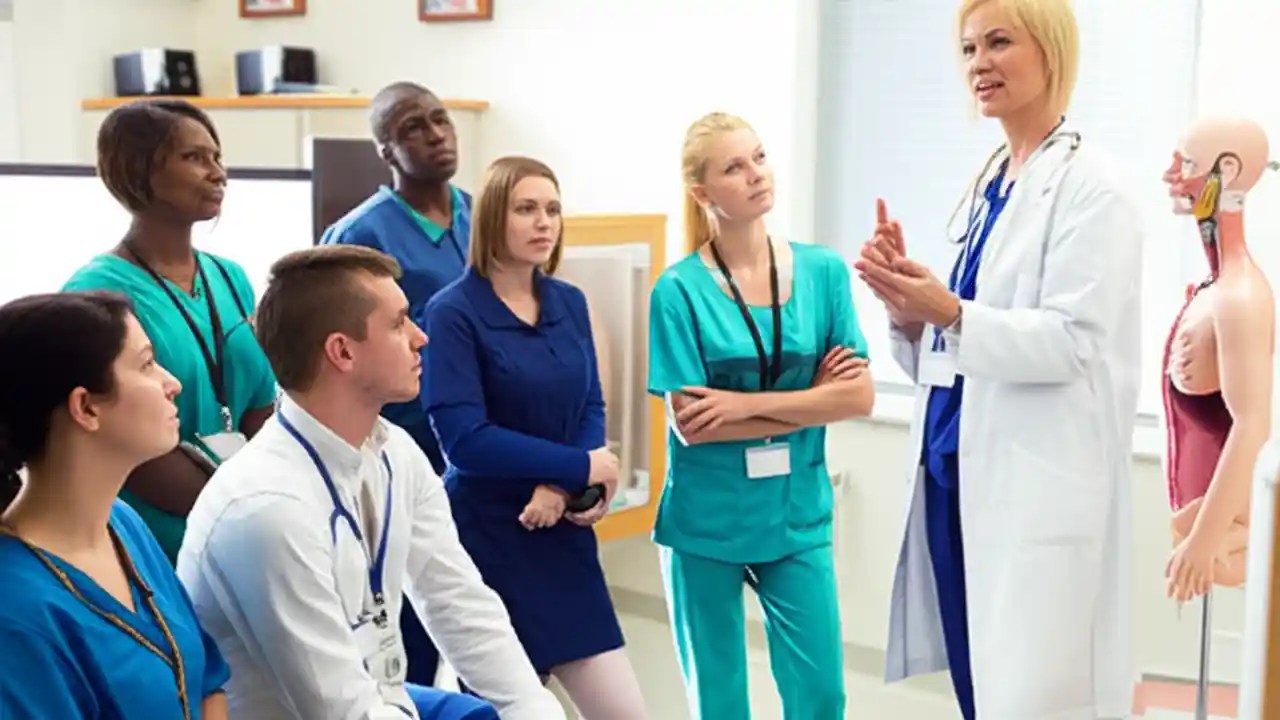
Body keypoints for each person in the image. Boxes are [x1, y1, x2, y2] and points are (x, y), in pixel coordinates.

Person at [857, 1, 1142, 718]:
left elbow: (1073, 341)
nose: (978, 63)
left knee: (1027, 694)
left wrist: (947, 310)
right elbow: (963, 342)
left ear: (1049, 50)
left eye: (999, 42)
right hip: (958, 473)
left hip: (1031, 491)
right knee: (977, 687)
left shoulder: (1093, 188)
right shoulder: (995, 185)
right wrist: (907, 309)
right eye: (967, 49)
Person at [175, 245, 566, 720]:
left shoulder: (394, 452)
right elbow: (340, 709)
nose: (422, 338)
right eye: (400, 323)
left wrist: (535, 711)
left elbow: (459, 602)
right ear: (342, 351)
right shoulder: (265, 510)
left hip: (385, 699)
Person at [648, 111, 875, 720]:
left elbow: (858, 397)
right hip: (705, 523)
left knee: (820, 696)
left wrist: (744, 406)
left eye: (760, 157)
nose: (755, 174)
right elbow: (692, 425)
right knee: (720, 704)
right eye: (733, 166)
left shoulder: (824, 271)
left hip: (796, 517)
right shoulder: (677, 292)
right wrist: (811, 401)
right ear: (702, 193)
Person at [422, 156, 648, 719]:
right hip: (489, 536)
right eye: (526, 208)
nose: (544, 222)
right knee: (500, 711)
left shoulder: (568, 301)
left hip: (560, 535)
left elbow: (590, 404)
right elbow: (465, 440)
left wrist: (563, 484)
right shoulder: (452, 312)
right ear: (494, 217)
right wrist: (578, 470)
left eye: (552, 209)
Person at [63, 99, 278, 563]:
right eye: (194, 157)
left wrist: (275, 496)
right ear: (139, 170)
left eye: (217, 157)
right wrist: (242, 506)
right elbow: (119, 439)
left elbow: (259, 408)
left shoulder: (231, 278)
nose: (217, 172)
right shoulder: (96, 294)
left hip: (246, 527)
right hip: (159, 541)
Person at [0, 291, 230, 719]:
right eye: (146, 364)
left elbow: (207, 681)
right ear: (86, 407)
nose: (171, 383)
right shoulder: (16, 612)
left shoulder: (123, 524)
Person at [320, 81, 472, 686]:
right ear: (386, 150)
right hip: (398, 446)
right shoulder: (363, 234)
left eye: (440, 119)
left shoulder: (480, 214)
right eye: (414, 127)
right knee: (399, 623)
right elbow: (332, 353)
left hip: (476, 445)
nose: (436, 134)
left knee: (470, 605)